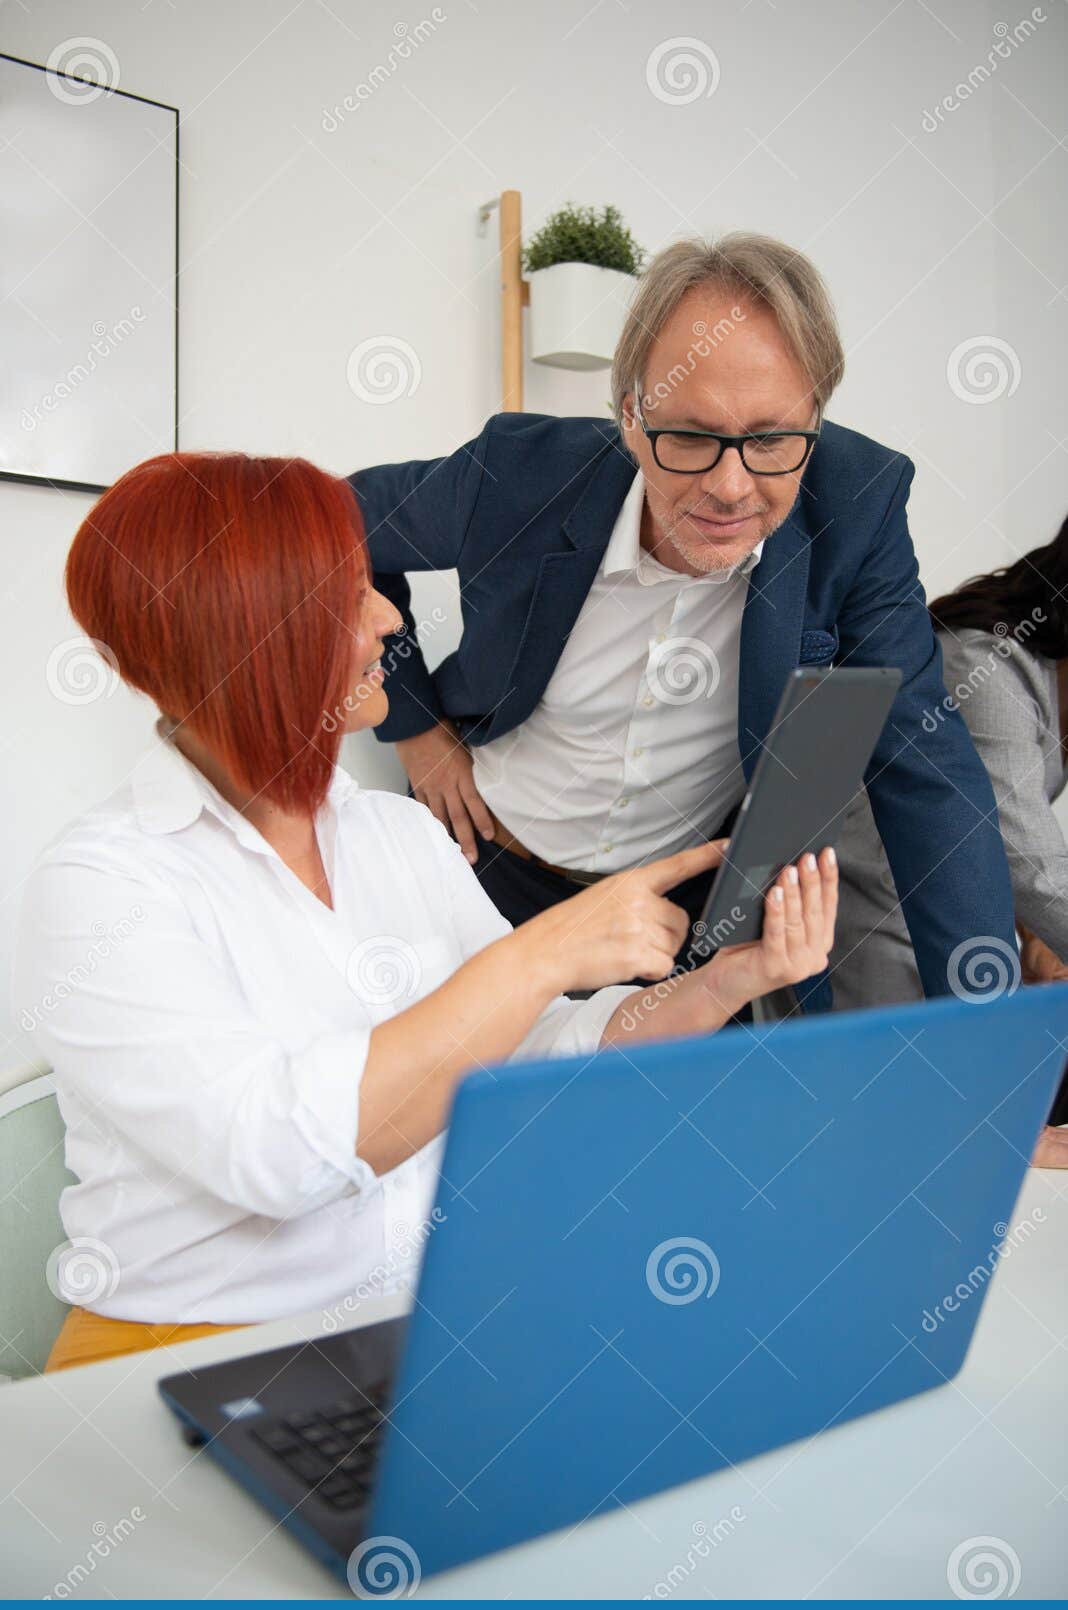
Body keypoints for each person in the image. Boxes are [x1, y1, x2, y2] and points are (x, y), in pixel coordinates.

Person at [14, 452, 838, 1372]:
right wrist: (546, 952)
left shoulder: (393, 837)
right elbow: (283, 1159)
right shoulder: (103, 887)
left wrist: (723, 986)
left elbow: (532, 1060)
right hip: (182, 1358)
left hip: (411, 1333)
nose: (388, 617)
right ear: (248, 635)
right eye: (347, 594)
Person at [350, 231, 1015, 1014]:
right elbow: (328, 533)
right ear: (630, 414)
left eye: (771, 439)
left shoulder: (857, 508)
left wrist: (991, 1060)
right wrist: (415, 726)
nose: (731, 488)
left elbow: (928, 777)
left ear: (815, 421)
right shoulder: (520, 473)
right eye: (692, 437)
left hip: (673, 920)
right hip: (483, 871)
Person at [830, 513, 1068, 1166]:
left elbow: (997, 840)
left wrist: (1039, 935)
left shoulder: (1051, 682)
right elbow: (1033, 867)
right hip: (882, 930)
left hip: (959, 945)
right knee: (902, 1156)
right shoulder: (986, 668)